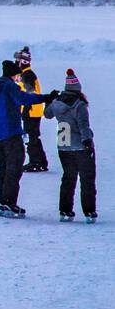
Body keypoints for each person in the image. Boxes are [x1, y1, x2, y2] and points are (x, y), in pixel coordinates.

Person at [0, 60, 57, 217]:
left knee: (4, 168)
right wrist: (45, 98)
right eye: (17, 76)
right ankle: (9, 203)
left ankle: (4, 202)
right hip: (12, 134)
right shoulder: (10, 87)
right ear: (13, 75)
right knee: (14, 168)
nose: (18, 79)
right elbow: (25, 98)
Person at [44, 70, 97, 222]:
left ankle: (65, 210)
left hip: (63, 145)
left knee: (68, 178)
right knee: (87, 179)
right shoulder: (79, 105)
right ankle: (89, 212)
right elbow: (83, 126)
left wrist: (49, 100)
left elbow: (46, 114)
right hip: (80, 147)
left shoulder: (56, 103)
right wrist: (87, 142)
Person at [16, 47, 49, 173]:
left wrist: (26, 108)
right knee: (34, 136)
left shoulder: (27, 75)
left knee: (31, 137)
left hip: (31, 111)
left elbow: (30, 93)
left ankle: (35, 162)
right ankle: (41, 161)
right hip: (33, 110)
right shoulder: (26, 74)